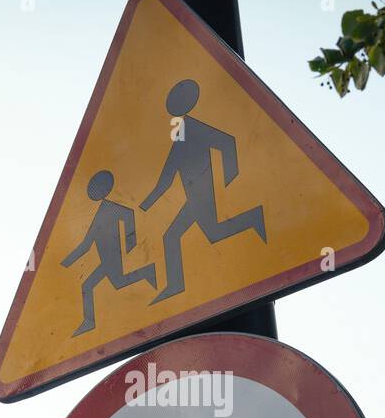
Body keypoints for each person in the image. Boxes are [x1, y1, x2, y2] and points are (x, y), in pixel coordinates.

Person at [139, 79, 267, 302]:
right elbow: (167, 177)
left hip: (203, 195)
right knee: (206, 233)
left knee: (174, 236)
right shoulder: (180, 137)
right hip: (194, 198)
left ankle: (175, 285)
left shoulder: (194, 128)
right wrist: (145, 205)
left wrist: (229, 178)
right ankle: (253, 218)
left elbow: (226, 142)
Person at [60, 169, 157, 337]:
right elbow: (86, 244)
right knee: (97, 284)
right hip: (105, 260)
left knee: (99, 284)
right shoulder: (99, 215)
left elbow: (129, 214)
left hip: (113, 257)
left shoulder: (111, 208)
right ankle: (148, 272)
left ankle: (149, 272)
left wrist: (130, 242)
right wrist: (65, 263)